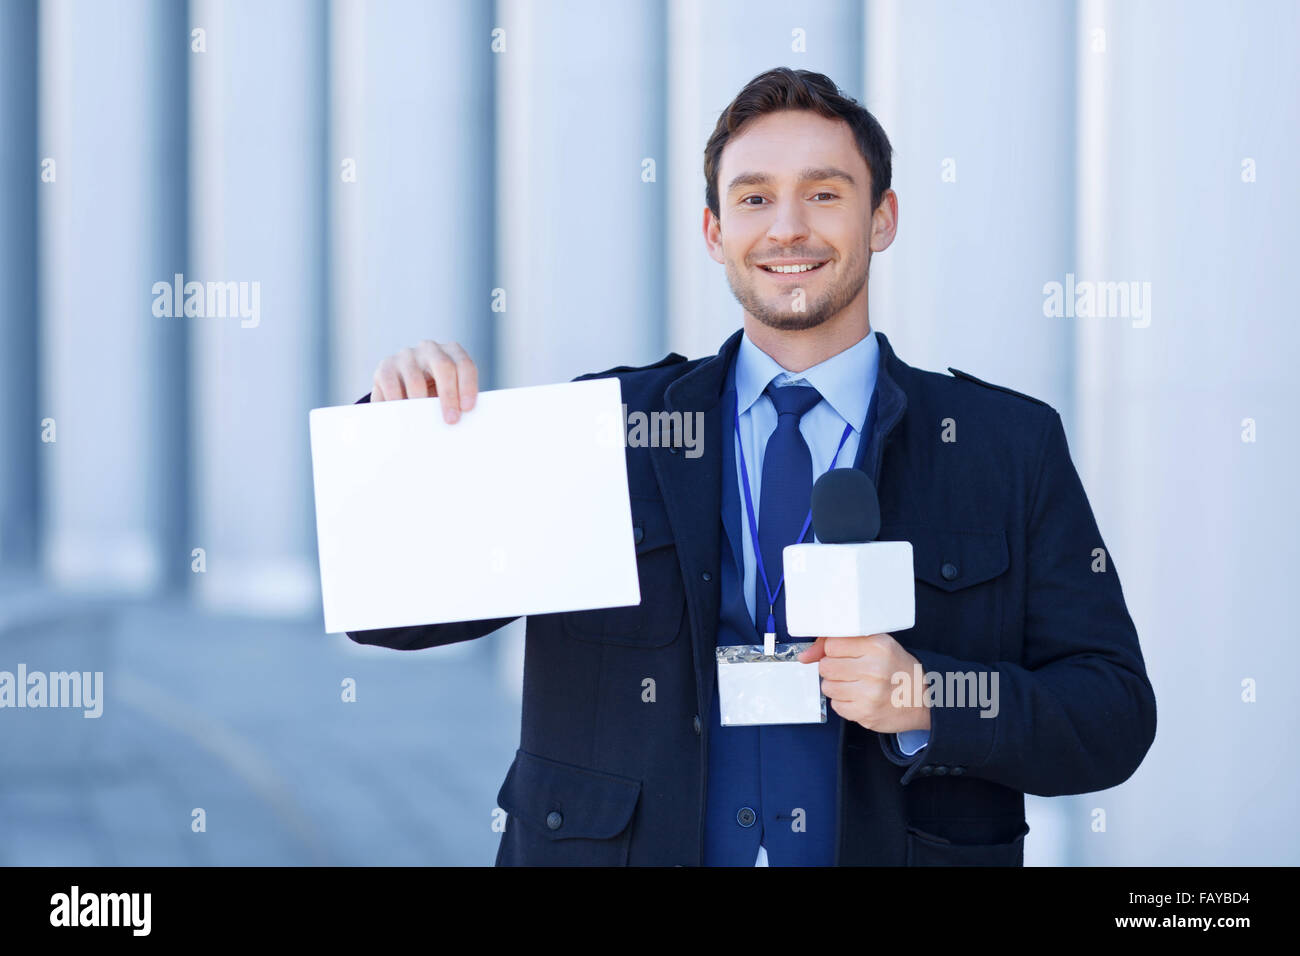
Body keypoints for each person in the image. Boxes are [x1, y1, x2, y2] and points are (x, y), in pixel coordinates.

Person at [346, 67, 1156, 866]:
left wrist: (928, 696)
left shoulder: (1004, 446)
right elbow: (392, 616)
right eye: (755, 197)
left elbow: (1113, 715)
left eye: (826, 193)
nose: (788, 228)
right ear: (715, 233)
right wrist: (395, 432)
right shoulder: (609, 429)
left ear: (882, 219)